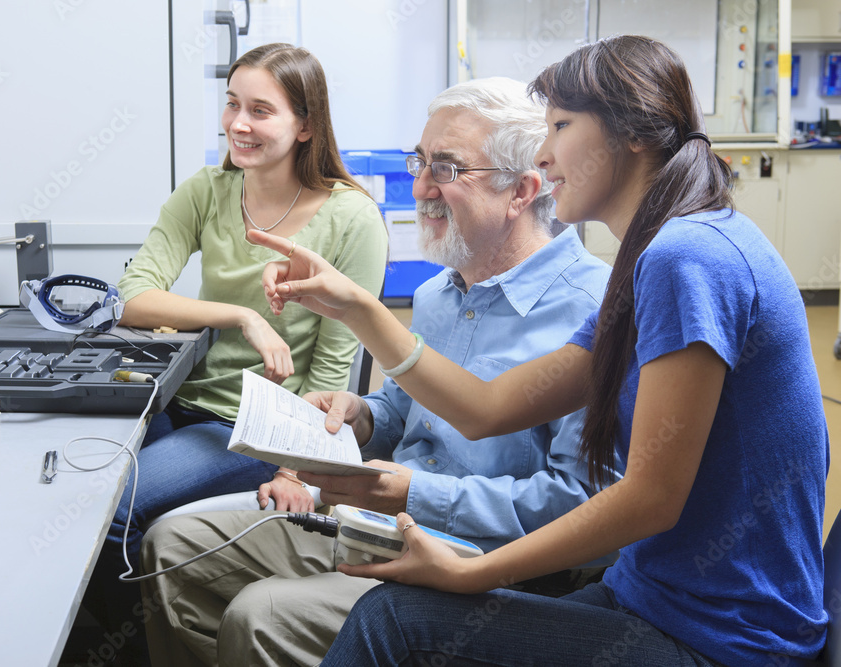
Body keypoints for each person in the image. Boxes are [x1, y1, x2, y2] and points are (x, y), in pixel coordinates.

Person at [254, 35, 829, 667]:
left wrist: (474, 573)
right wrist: (359, 307)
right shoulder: (654, 257)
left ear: (632, 134)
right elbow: (489, 407)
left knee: (393, 620)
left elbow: (650, 497)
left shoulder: (686, 256)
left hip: (721, 638)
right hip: (649, 598)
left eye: (560, 125)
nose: (546, 153)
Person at [138, 76, 616, 667]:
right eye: (420, 161)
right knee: (171, 548)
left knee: (259, 615)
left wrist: (414, 490)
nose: (419, 188)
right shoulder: (443, 291)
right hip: (379, 522)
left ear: (521, 191)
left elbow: (580, 504)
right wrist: (360, 415)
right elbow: (402, 411)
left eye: (446, 169)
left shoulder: (595, 312)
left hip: (482, 560)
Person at [80, 43, 388, 666]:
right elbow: (135, 296)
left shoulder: (352, 219)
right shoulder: (209, 191)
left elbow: (334, 370)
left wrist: (295, 471)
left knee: (111, 509)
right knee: (71, 488)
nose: (238, 124)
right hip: (175, 403)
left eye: (261, 110)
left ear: (305, 125)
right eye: (231, 105)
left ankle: (140, 653)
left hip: (252, 428)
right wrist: (241, 315)